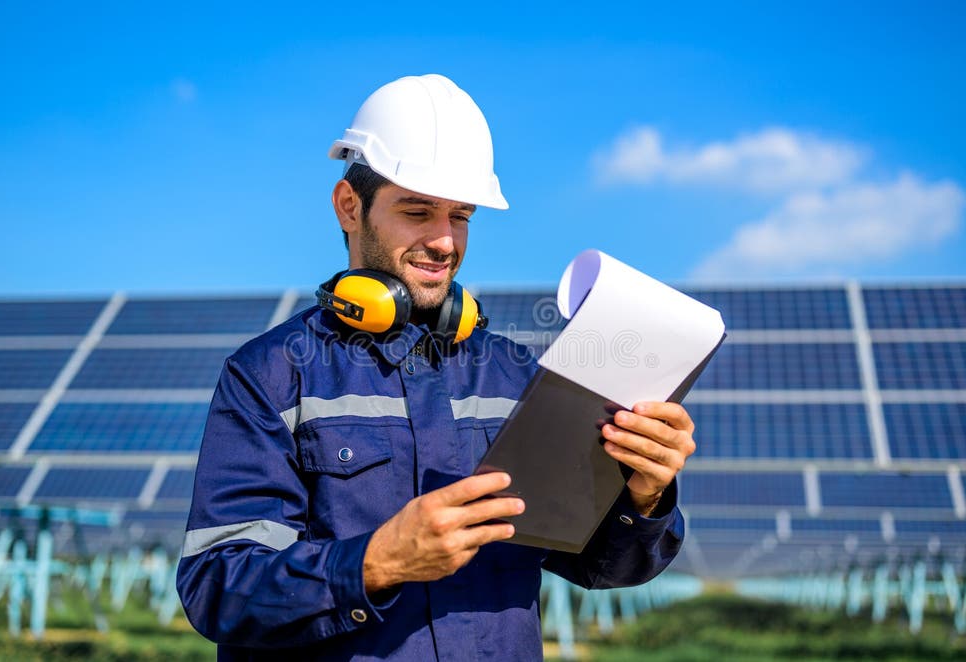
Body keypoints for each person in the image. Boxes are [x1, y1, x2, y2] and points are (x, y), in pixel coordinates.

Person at [177, 74, 697, 661]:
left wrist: (645, 495)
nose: (445, 241)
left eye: (462, 216)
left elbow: (602, 567)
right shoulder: (270, 376)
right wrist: (376, 562)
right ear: (350, 207)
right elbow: (216, 585)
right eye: (418, 211)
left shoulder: (515, 376)